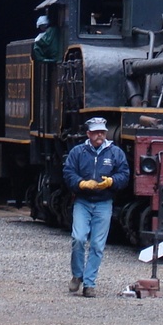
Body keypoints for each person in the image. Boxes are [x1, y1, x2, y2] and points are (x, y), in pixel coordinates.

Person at [62, 116, 129, 297]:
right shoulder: (78, 152)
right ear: (88, 134)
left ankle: (89, 284)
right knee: (78, 238)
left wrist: (112, 181)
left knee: (98, 245)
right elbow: (68, 172)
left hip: (104, 203)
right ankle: (77, 275)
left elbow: (124, 174)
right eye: (96, 132)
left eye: (102, 132)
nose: (99, 135)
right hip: (82, 201)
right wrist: (80, 183)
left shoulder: (115, 153)